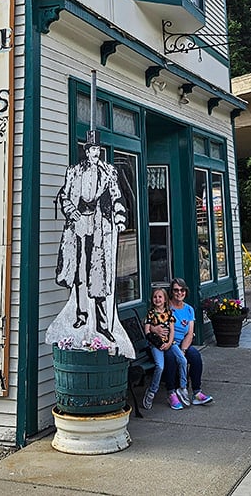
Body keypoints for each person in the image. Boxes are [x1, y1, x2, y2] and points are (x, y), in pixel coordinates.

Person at [54, 130, 127, 342]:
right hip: (78, 224)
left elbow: (117, 196)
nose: (95, 153)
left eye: (98, 149)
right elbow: (65, 196)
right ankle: (82, 315)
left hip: (98, 224)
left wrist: (120, 217)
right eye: (92, 149)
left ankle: (103, 325)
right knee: (79, 273)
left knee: (98, 274)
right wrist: (71, 211)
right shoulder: (74, 171)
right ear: (86, 151)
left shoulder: (108, 172)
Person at [162, 278, 213, 408]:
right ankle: (171, 393)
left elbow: (190, 333)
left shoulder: (189, 309)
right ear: (171, 292)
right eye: (176, 290)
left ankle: (197, 393)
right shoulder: (166, 307)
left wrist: (183, 350)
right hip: (167, 344)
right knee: (170, 357)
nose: (179, 293)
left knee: (195, 356)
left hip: (182, 344)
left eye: (182, 290)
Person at [142, 288, 188, 410]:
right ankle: (152, 391)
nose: (157, 299)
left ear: (165, 299)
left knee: (182, 360)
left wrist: (168, 343)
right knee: (160, 366)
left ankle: (182, 387)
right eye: (155, 297)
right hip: (156, 345)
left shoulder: (169, 313)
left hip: (169, 343)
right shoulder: (150, 314)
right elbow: (147, 332)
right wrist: (157, 342)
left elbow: (172, 330)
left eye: (160, 297)